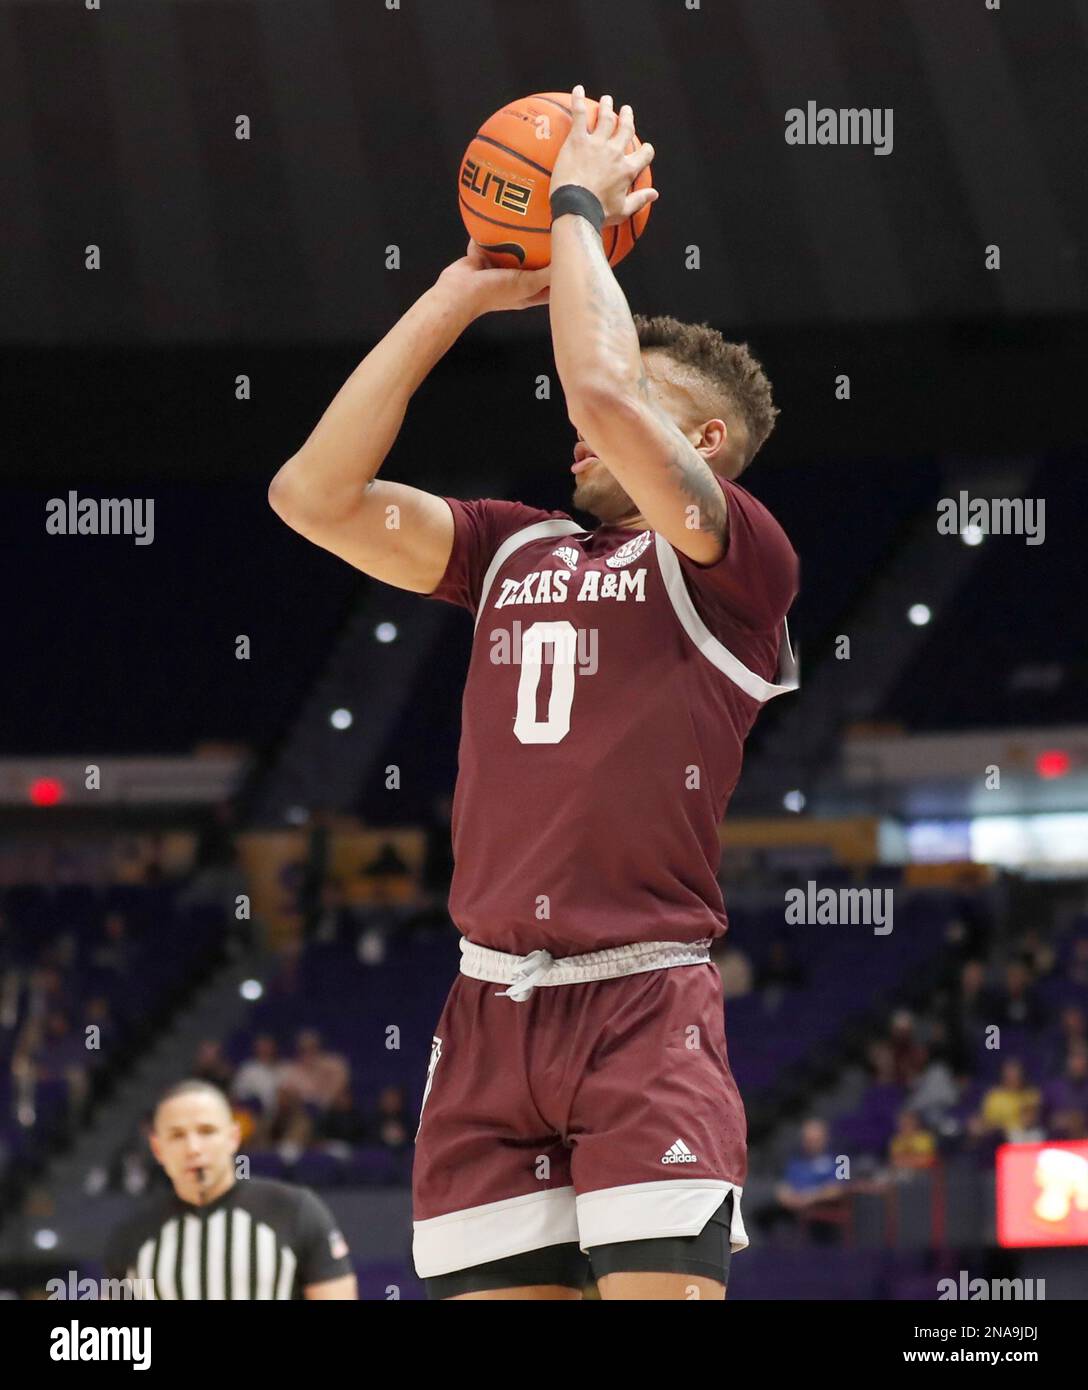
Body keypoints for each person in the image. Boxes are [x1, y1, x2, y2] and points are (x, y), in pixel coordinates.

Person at [269, 86, 797, 1301]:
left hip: (639, 1001)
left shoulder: (734, 561)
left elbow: (606, 394)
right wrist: (459, 289)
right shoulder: (510, 546)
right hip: (484, 1009)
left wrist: (575, 208)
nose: (576, 424)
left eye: (635, 415)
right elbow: (311, 497)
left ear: (700, 447)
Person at [105, 1080, 356, 1299]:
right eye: (177, 1135)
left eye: (207, 1131)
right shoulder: (131, 1236)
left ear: (233, 1138)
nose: (193, 1148)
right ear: (158, 1149)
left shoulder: (294, 1211)